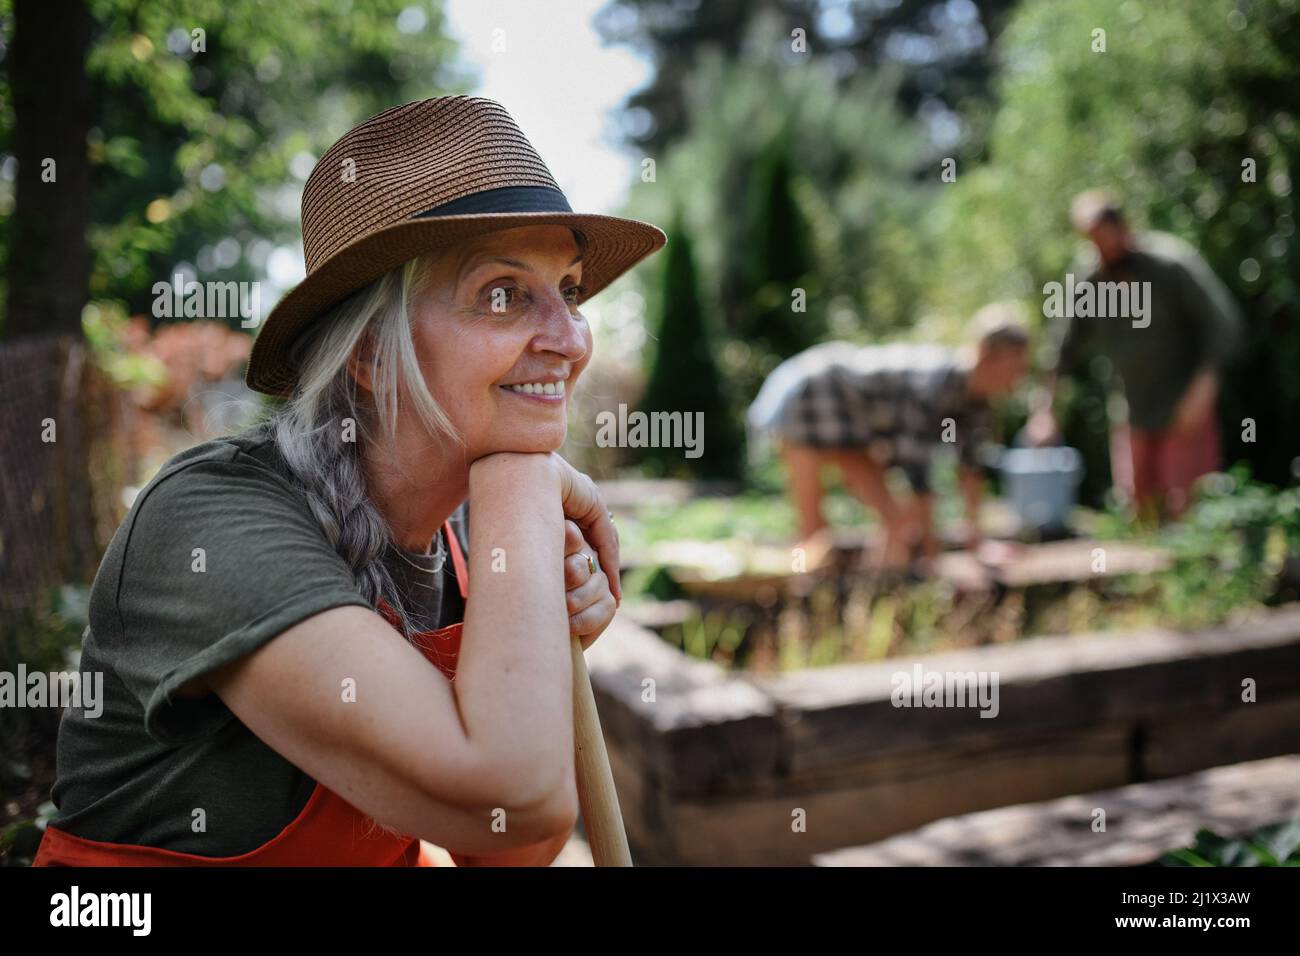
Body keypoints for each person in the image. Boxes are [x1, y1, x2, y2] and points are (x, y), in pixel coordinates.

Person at [33, 96, 665, 867]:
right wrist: (526, 488)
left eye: (567, 290)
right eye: (504, 294)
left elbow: (503, 853)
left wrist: (523, 585)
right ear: (369, 353)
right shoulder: (211, 520)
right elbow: (514, 804)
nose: (571, 340)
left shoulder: (465, 544)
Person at [746, 304, 1031, 573]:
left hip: (853, 416)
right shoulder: (935, 383)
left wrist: (976, 543)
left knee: (894, 519)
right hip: (813, 387)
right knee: (815, 526)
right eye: (1014, 363)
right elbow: (915, 471)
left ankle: (877, 579)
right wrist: (930, 549)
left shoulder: (977, 401)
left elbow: (970, 469)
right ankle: (806, 588)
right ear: (985, 354)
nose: (1020, 376)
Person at [1026, 189, 1243, 521]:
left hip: (1184, 406)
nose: (1102, 251)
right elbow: (1061, 349)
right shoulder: (1090, 279)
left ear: (1124, 226)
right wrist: (1045, 411)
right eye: (1092, 243)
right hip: (1133, 410)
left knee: (1187, 506)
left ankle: (1195, 569)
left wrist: (1203, 389)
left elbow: (1222, 325)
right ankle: (1149, 572)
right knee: (1140, 509)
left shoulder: (1171, 264)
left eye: (1106, 240)